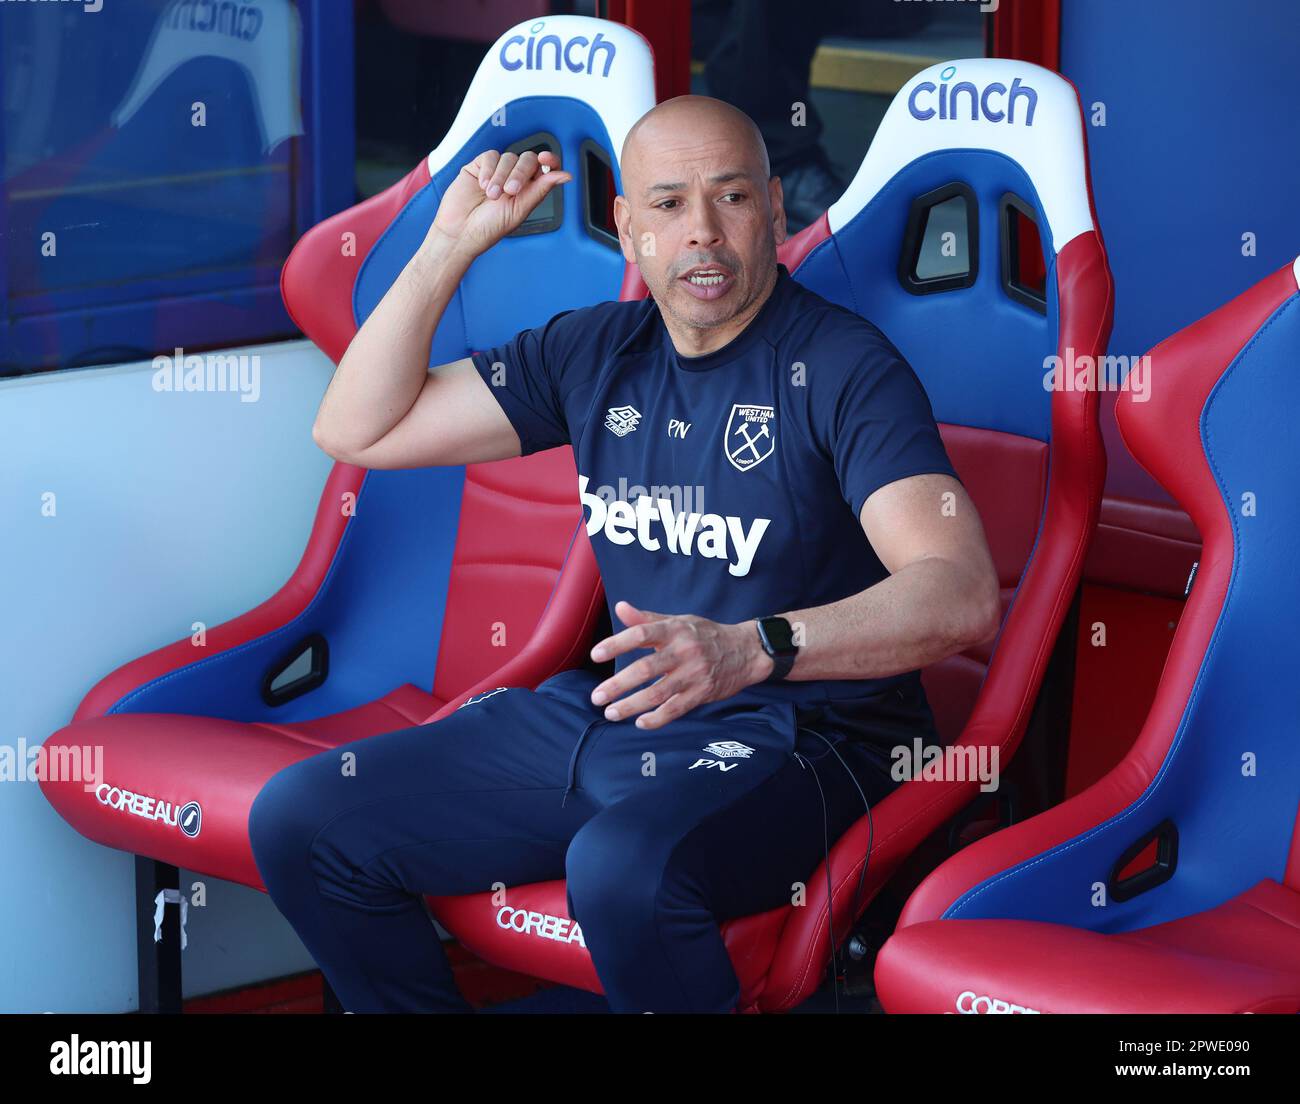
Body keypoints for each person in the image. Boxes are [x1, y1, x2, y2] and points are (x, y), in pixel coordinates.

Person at [248, 95, 1000, 1014]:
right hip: (624, 717)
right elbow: (357, 427)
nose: (704, 235)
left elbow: (960, 595)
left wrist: (749, 647)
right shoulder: (594, 351)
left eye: (731, 199)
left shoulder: (844, 369)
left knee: (621, 871)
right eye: (670, 204)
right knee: (304, 821)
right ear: (627, 225)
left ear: (773, 207)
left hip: (807, 740)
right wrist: (450, 245)